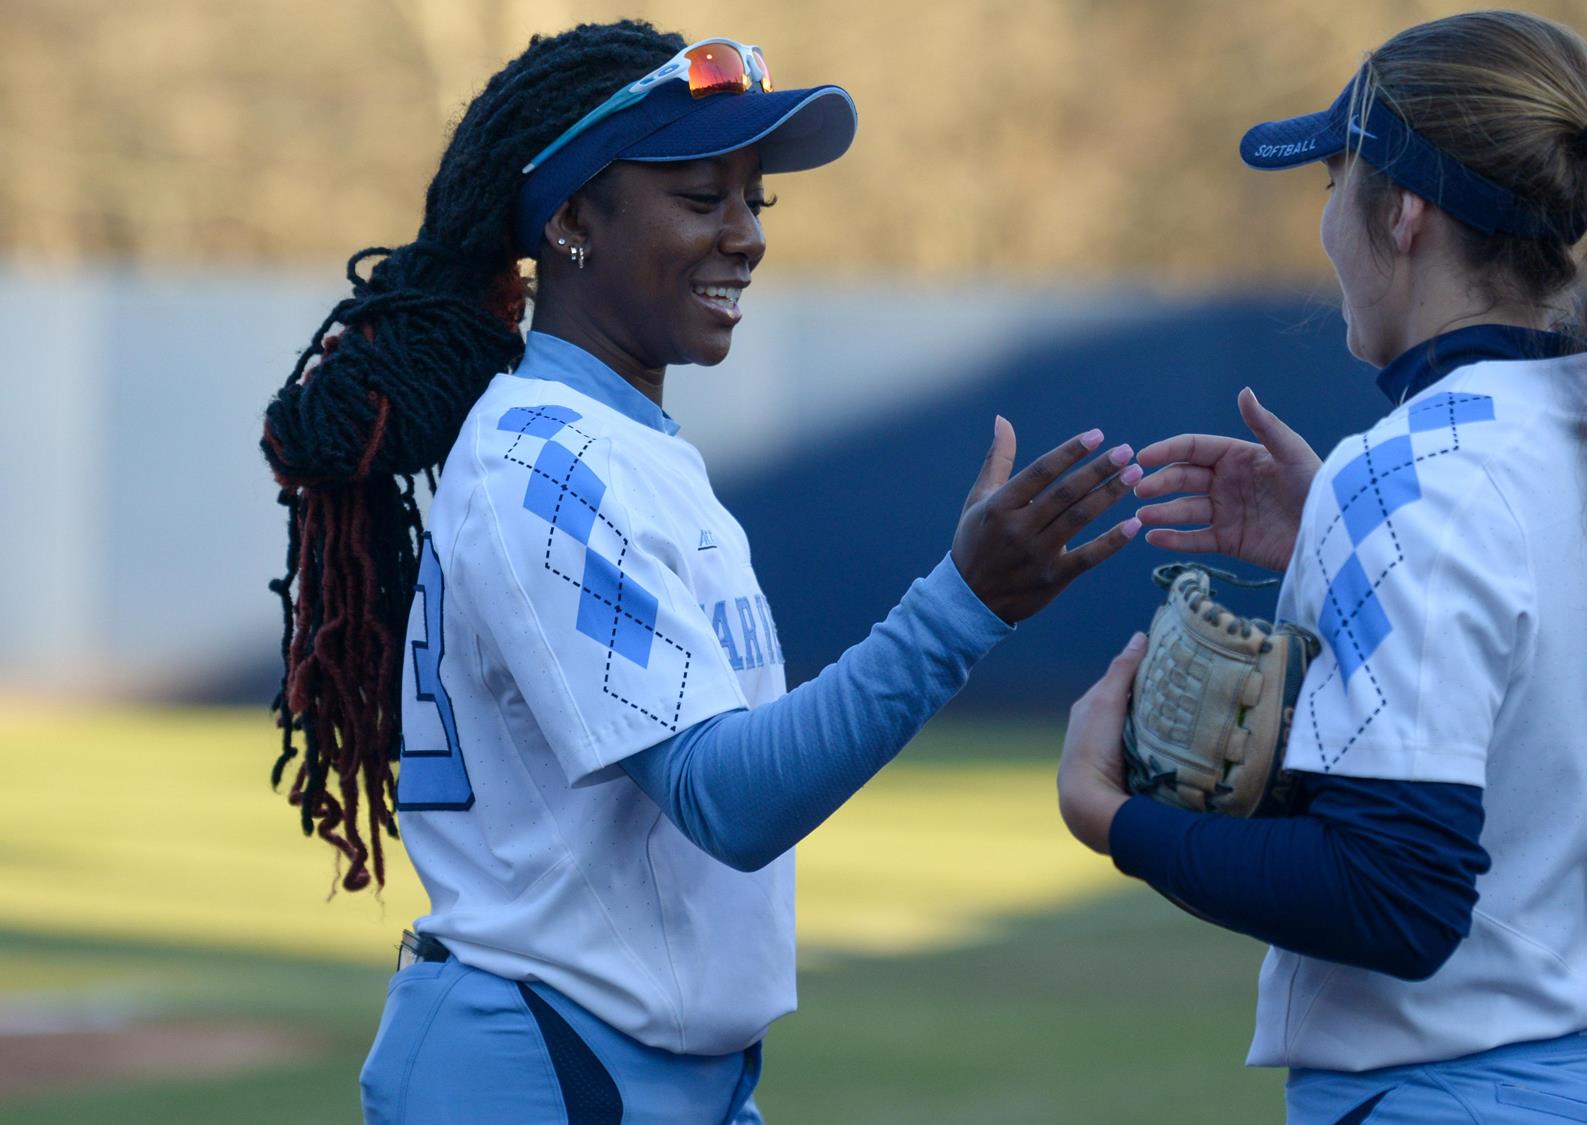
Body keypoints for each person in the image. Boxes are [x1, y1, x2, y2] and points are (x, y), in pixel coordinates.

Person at [259, 21, 1143, 1123]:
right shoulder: (544, 458)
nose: (744, 236)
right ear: (571, 217)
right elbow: (726, 798)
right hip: (542, 1067)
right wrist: (959, 607)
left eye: (753, 201)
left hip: (630, 1066)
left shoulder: (614, 443)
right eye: (699, 197)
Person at [1055, 11, 1587, 1122]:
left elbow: (1393, 898)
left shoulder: (1413, 473)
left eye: (1332, 176)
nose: (1324, 219)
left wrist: (1108, 818)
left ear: (1402, 212)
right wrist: (1334, 526)